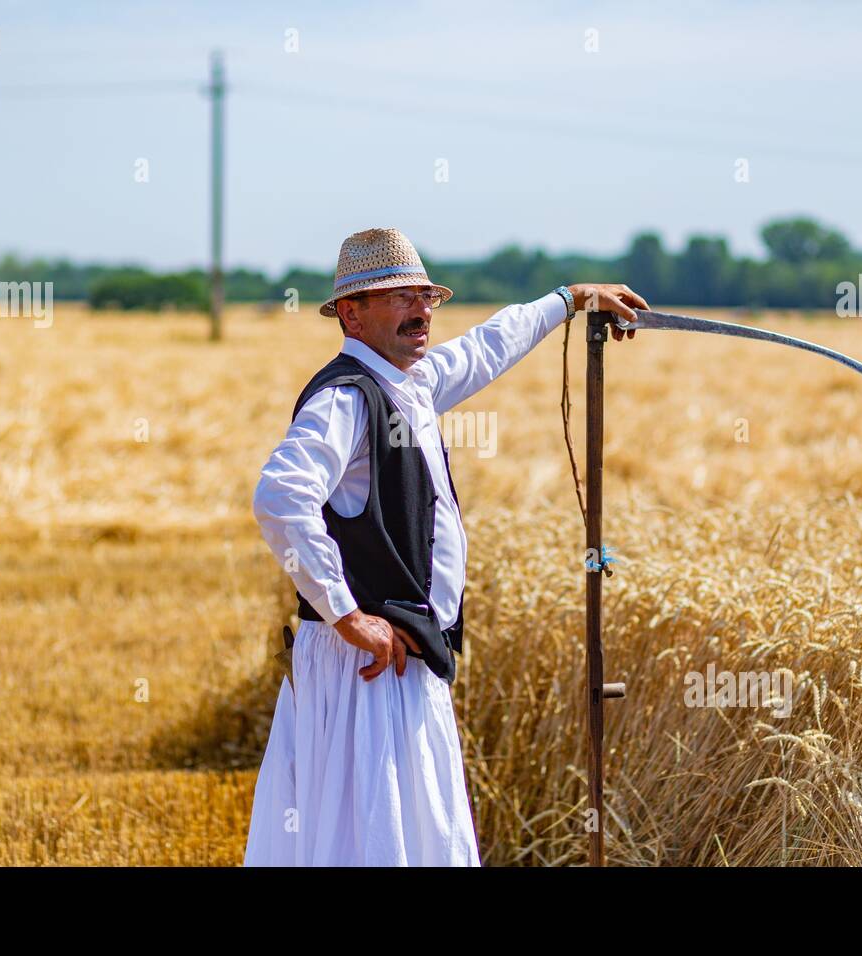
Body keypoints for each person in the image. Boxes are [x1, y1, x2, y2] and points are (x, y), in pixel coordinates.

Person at [243, 226, 646, 866]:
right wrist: (347, 615)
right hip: (369, 663)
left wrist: (570, 298)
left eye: (426, 296)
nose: (422, 310)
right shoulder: (347, 397)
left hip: (399, 653)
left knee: (406, 833)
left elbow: (488, 347)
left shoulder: (414, 383)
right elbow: (279, 497)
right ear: (351, 312)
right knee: (368, 840)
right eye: (400, 297)